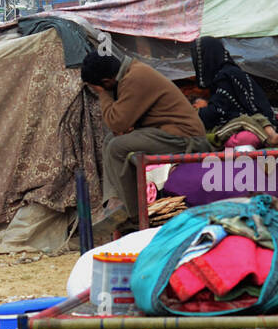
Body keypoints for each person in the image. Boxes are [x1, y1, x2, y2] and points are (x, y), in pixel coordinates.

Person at [82, 51, 211, 234]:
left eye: (96, 88)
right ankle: (116, 201)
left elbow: (116, 122)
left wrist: (102, 94)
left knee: (117, 147)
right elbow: (117, 129)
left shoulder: (135, 77)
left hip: (186, 137)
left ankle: (134, 216)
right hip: (166, 131)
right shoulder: (130, 74)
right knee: (111, 141)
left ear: (105, 81)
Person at [191, 37, 278, 147]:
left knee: (245, 135)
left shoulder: (225, 77)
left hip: (249, 126)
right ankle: (271, 135)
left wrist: (196, 114)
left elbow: (220, 111)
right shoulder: (231, 73)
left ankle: (270, 138)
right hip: (262, 123)